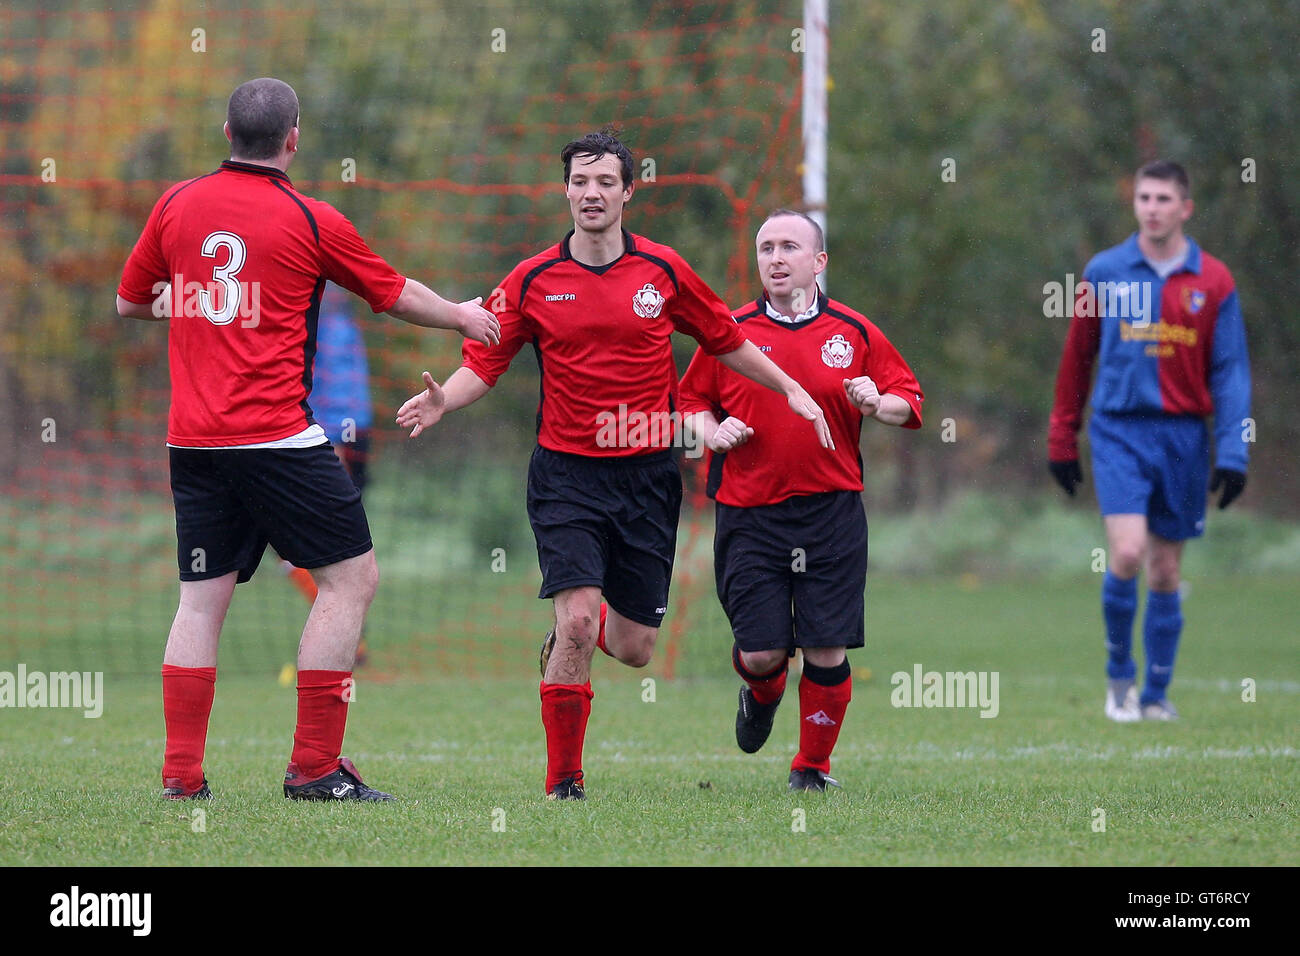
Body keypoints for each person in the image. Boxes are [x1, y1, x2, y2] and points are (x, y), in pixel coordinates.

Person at [396, 129, 833, 800]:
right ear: (565, 190)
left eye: (605, 182)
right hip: (566, 477)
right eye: (579, 181)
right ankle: (563, 784)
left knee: (632, 648)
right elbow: (483, 361)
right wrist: (442, 403)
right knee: (574, 621)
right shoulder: (533, 278)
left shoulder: (662, 271)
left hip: (649, 476)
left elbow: (727, 339)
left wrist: (791, 386)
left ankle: (582, 625)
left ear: (629, 191)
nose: (591, 193)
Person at [115, 77, 499, 801]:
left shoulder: (175, 204)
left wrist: (189, 301)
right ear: (294, 139)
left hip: (193, 445)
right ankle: (316, 769)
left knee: (200, 603)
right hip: (278, 442)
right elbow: (393, 293)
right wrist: (462, 317)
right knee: (350, 581)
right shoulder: (311, 218)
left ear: (227, 133)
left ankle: (181, 778)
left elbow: (129, 300)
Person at [679, 210, 923, 791]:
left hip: (831, 511)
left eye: (790, 246)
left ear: (819, 263)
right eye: (766, 248)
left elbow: (909, 402)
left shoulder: (854, 332)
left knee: (825, 644)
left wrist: (875, 402)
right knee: (763, 653)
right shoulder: (727, 333)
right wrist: (712, 433)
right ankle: (761, 694)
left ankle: (811, 769)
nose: (776, 258)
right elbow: (688, 403)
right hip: (748, 512)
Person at [1048, 160, 1251, 722]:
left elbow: (1230, 371)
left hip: (1184, 437)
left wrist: (1234, 451)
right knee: (1130, 552)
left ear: (1186, 208)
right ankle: (1119, 682)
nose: (1153, 207)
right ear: (1134, 204)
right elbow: (1077, 359)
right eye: (1144, 197)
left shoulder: (1214, 281)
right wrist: (1062, 437)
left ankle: (1158, 695)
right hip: (1119, 431)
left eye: (1164, 198)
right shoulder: (1105, 272)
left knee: (1166, 570)